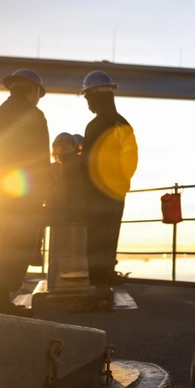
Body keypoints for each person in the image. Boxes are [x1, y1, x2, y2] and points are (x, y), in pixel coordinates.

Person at [71, 70, 138, 312]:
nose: (87, 102)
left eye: (87, 97)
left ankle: (99, 294)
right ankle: (103, 289)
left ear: (95, 96)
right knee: (109, 241)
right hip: (116, 194)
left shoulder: (96, 125)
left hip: (96, 196)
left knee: (97, 244)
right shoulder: (123, 123)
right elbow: (131, 159)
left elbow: (87, 166)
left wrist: (82, 197)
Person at [0, 68, 50, 316]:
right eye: (38, 94)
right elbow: (39, 157)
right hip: (26, 194)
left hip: (1, 192)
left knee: (4, 243)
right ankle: (1, 301)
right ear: (33, 91)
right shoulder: (34, 114)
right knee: (19, 245)